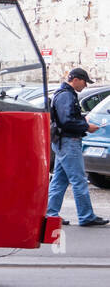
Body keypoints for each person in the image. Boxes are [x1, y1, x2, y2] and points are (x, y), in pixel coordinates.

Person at [48, 67, 108, 227]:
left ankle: (50, 214)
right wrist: (86, 126)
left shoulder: (64, 94)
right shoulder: (66, 96)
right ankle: (86, 216)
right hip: (68, 141)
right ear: (75, 79)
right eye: (84, 82)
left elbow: (66, 118)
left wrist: (83, 120)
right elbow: (66, 121)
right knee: (79, 179)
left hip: (62, 141)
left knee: (60, 180)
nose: (85, 86)